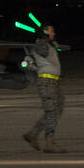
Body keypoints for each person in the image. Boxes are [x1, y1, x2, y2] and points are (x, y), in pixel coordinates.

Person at [22, 24, 67, 153]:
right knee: (52, 111)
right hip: (47, 82)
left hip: (54, 81)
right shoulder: (41, 45)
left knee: (57, 110)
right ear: (45, 33)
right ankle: (49, 142)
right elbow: (40, 53)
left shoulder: (48, 45)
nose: (54, 33)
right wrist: (45, 39)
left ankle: (33, 134)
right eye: (51, 31)